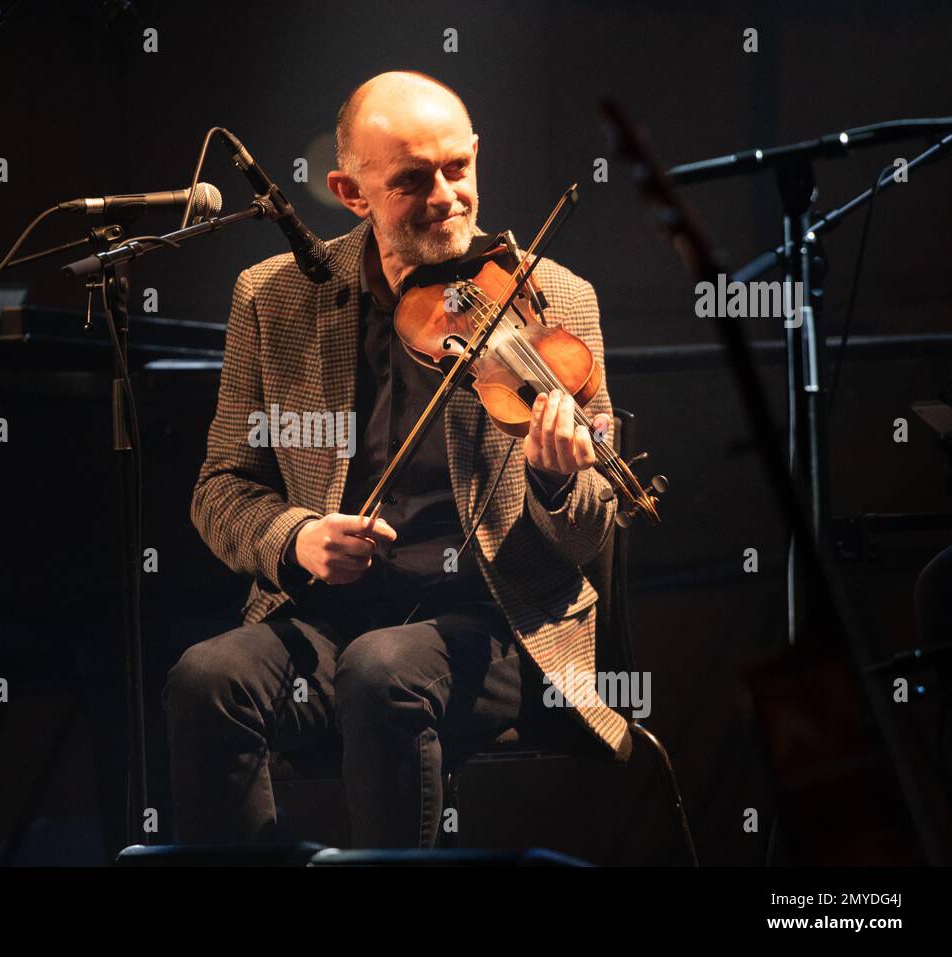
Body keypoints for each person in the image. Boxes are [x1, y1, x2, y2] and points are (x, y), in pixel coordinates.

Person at [163, 70, 630, 849]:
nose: (448, 196)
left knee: (382, 671)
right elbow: (222, 486)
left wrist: (556, 476)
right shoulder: (273, 297)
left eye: (458, 168)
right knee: (205, 679)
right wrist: (297, 536)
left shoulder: (554, 299)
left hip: (493, 626)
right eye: (413, 181)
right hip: (326, 624)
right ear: (351, 191)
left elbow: (589, 532)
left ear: (477, 154)